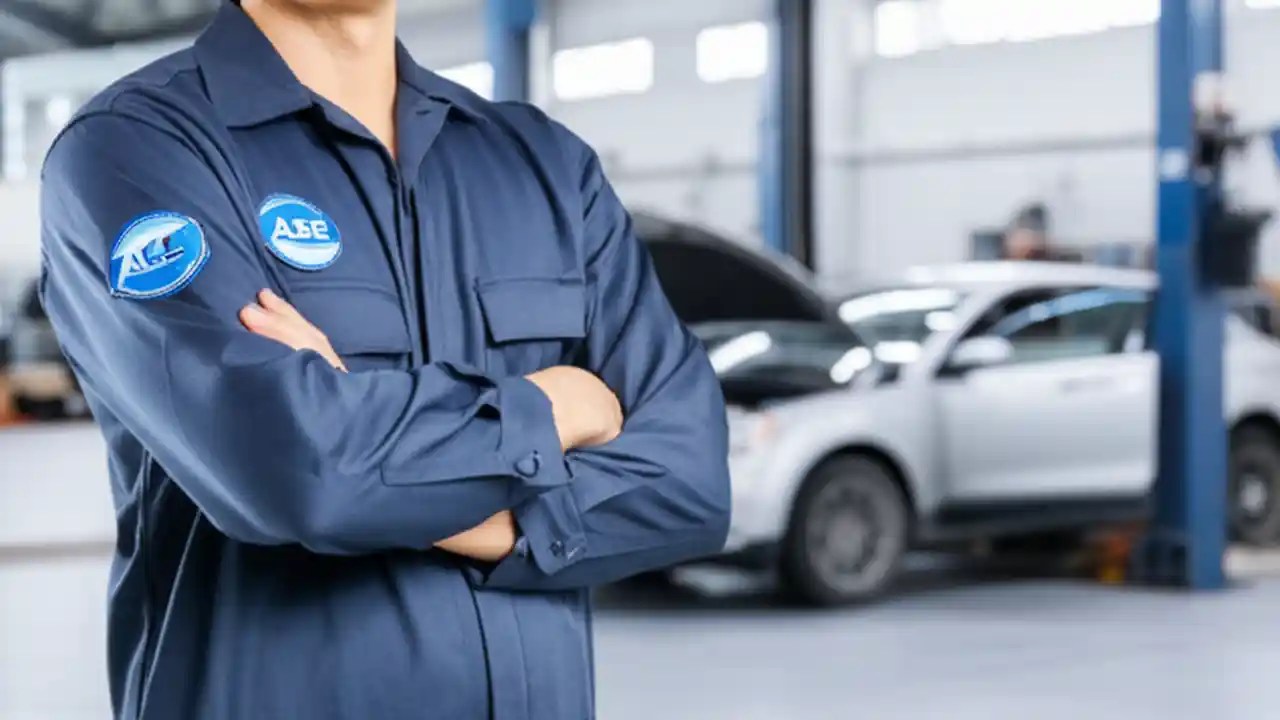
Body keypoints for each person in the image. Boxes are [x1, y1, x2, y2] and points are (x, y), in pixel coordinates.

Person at [39, 1, 731, 718]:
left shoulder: (545, 167)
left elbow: (691, 483)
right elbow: (297, 470)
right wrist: (556, 409)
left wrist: (372, 462)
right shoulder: (137, 150)